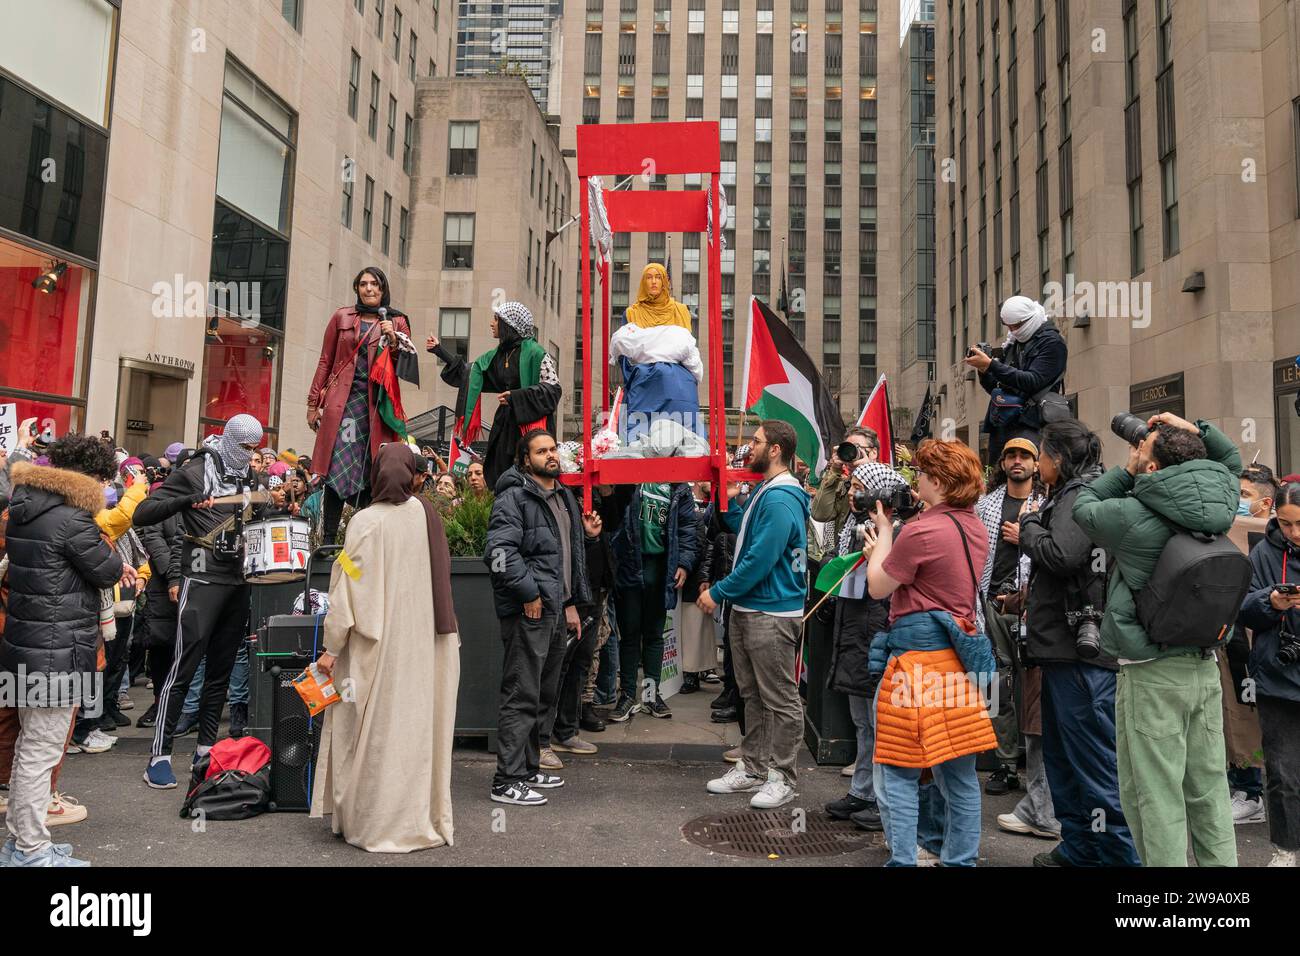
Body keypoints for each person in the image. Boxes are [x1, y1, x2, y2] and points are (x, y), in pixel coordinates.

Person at [1073, 412, 1239, 867]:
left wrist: (1126, 470)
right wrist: (1193, 429)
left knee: (1155, 794)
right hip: (1204, 665)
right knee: (1208, 791)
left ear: (1151, 467)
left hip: (1150, 672)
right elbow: (1231, 457)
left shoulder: (1132, 515)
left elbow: (1083, 507)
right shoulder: (1223, 498)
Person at [310, 443, 460, 852]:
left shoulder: (364, 523)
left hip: (372, 650)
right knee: (414, 731)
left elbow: (347, 587)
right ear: (413, 473)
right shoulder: (427, 516)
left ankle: (370, 821)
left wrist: (331, 647)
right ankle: (416, 819)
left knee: (369, 735)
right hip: (426, 645)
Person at [864, 439, 998, 867]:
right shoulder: (974, 527)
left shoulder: (921, 531)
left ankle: (903, 860)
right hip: (957, 664)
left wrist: (883, 537)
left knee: (898, 773)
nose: (915, 480)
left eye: (920, 474)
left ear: (937, 482)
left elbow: (877, 586)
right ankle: (961, 861)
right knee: (959, 777)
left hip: (914, 664)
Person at [1, 434, 132, 866]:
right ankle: (31, 851)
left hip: (23, 645)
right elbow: (107, 569)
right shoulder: (73, 518)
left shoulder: (24, 507)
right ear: (89, 477)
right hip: (58, 651)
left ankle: (23, 840)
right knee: (41, 752)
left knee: (28, 748)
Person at [132, 414, 276, 790]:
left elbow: (260, 525)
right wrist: (185, 500)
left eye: (254, 448)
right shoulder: (195, 471)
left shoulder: (251, 478)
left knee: (221, 673)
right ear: (229, 440)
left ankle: (206, 750)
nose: (249, 454)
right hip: (201, 579)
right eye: (244, 446)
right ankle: (159, 755)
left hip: (237, 580)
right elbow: (142, 513)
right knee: (184, 665)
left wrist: (276, 513)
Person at [1017, 420, 1139, 865]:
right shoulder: (1082, 492)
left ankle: (1119, 857)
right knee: (1066, 760)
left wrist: (1029, 525)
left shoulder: (1077, 495)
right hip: (1065, 651)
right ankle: (1081, 847)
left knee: (1093, 763)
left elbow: (1064, 554)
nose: (1038, 463)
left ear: (1059, 460)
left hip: (1081, 655)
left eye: (1042, 455)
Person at [701, 420, 810, 810]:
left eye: (757, 441)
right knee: (753, 696)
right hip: (751, 610)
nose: (750, 446)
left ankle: (782, 777)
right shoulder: (769, 491)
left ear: (776, 449)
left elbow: (761, 558)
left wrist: (718, 591)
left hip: (771, 614)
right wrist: (728, 503)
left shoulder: (781, 497)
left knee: (779, 698)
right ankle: (753, 768)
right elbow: (750, 535)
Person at [484, 430, 590, 806]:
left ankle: (528, 768)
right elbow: (498, 554)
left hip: (555, 611)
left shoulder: (562, 497)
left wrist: (570, 602)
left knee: (543, 692)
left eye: (553, 449)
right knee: (521, 693)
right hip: (529, 612)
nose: (551, 455)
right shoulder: (514, 497)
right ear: (525, 459)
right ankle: (506, 780)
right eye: (541, 451)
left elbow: (562, 558)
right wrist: (528, 592)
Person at [824, 462, 908, 832]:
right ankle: (862, 789)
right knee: (861, 719)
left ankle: (880, 798)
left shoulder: (900, 530)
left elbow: (890, 581)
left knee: (879, 721)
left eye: (861, 486)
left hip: (877, 628)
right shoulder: (851, 526)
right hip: (853, 624)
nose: (854, 492)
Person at [308, 266, 418, 544]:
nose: (369, 289)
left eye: (375, 284)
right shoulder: (341, 316)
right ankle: (329, 541)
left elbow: (406, 367)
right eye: (363, 284)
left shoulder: (398, 321)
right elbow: (325, 360)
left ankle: (364, 540)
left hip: (377, 408)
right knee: (336, 468)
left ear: (383, 290)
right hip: (342, 405)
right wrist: (313, 403)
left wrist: (393, 338)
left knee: (373, 468)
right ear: (357, 288)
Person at [604, 436, 699, 723]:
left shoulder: (677, 486)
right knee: (630, 633)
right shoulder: (630, 477)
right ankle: (627, 695)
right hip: (630, 564)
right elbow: (614, 517)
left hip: (661, 566)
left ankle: (650, 695)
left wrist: (683, 563)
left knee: (654, 634)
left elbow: (687, 528)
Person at [427, 302, 561, 491]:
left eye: (496, 319)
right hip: (504, 428)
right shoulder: (498, 355)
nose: (492, 323)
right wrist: (440, 351)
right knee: (501, 478)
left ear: (509, 324)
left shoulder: (536, 353)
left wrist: (517, 397)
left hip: (530, 429)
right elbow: (471, 372)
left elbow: (553, 390)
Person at [1236, 481, 1300, 866]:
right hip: (1279, 675)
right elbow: (1244, 609)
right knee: (1282, 774)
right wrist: (1271, 601)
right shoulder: (1263, 551)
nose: (1295, 532)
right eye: (1288, 523)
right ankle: (1286, 850)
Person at [974, 436, 1041, 795]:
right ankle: (1005, 764)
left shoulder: (1046, 505)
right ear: (1002, 464)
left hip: (1031, 607)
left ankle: (1036, 768)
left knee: (1032, 691)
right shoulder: (986, 506)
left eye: (1025, 456)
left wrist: (1026, 537)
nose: (1018, 461)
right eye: (1011, 455)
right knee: (997, 687)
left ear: (1036, 464)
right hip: (992, 606)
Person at [965, 295, 1068, 464]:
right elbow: (997, 388)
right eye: (1009, 326)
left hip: (1032, 424)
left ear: (1030, 318)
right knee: (997, 475)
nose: (1013, 331)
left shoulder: (1052, 343)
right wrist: (984, 370)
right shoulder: (1015, 343)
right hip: (1004, 423)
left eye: (1017, 326)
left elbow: (1032, 381)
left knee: (1025, 474)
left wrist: (991, 365)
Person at [613, 263, 703, 442]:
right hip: (645, 382)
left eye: (658, 277)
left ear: (665, 282)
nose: (654, 282)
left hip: (677, 382)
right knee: (640, 438)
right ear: (643, 282)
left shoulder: (681, 310)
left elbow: (686, 345)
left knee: (684, 438)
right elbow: (624, 352)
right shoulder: (631, 313)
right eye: (649, 277)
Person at [811, 426, 880, 554]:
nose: (851, 453)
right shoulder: (843, 485)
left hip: (873, 556)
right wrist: (835, 470)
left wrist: (866, 470)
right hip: (844, 556)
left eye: (857, 448)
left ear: (873, 453)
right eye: (848, 448)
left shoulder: (888, 482)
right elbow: (819, 514)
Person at [678, 481, 719, 693]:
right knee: (687, 628)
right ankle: (688, 672)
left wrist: (704, 575)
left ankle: (693, 672)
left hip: (693, 578)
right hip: (685, 578)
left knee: (694, 629)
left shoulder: (696, 517)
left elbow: (703, 545)